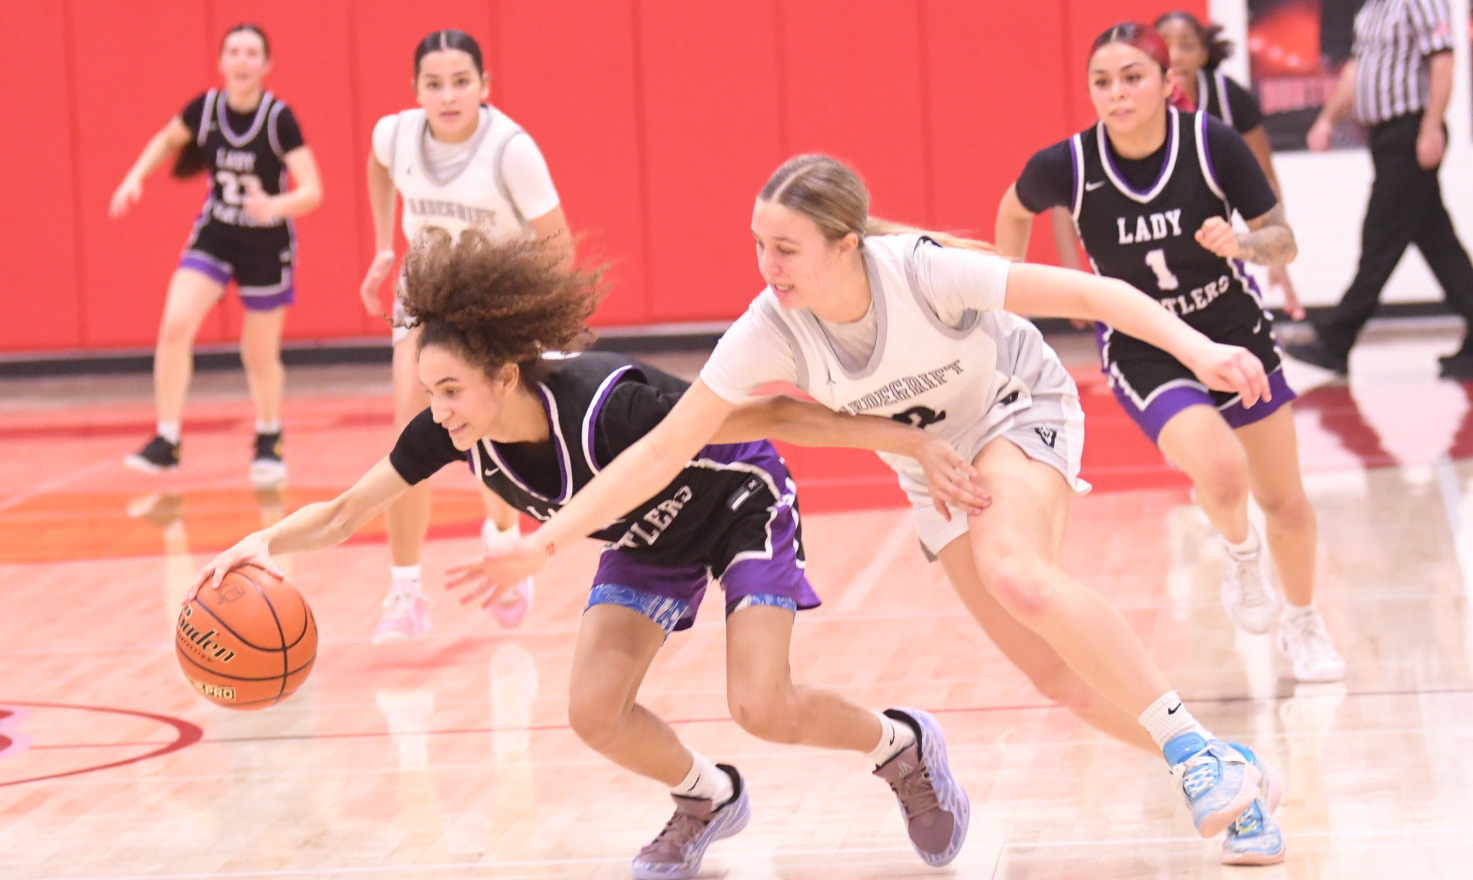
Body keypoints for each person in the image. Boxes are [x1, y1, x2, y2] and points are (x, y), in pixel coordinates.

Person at [461, 147, 1289, 865]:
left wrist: (1197, 348)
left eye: (786, 249)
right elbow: (662, 448)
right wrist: (546, 542)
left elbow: (1096, 294)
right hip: (927, 461)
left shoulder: (921, 271)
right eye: (758, 246)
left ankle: (1190, 753)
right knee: (1057, 679)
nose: (767, 266)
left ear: (844, 245)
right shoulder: (770, 326)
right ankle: (1226, 768)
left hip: (1012, 406)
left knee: (1020, 577)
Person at [192, 231, 971, 877]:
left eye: (452, 389)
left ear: (502, 373)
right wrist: (263, 540)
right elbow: (344, 512)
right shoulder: (447, 434)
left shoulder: (611, 402)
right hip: (642, 536)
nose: (439, 411)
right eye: (429, 391)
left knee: (760, 704)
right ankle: (707, 797)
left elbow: (771, 414)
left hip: (735, 502)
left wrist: (905, 439)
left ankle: (901, 747)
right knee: (593, 713)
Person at [997, 21, 1345, 694]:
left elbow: (1283, 242)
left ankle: (1301, 620)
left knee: (1286, 501)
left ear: (1167, 84)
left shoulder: (1209, 143)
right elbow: (1012, 210)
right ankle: (1241, 557)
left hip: (1232, 327)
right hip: (1143, 344)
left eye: (1132, 77)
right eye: (1101, 82)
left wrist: (1241, 245)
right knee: (1218, 469)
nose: (1116, 93)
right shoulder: (1066, 163)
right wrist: (1015, 294)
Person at [358, 29, 573, 640]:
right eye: (434, 83)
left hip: (490, 306)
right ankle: (404, 590)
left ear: (484, 86)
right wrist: (382, 245)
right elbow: (376, 165)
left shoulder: (510, 150)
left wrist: (535, 322)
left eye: (460, 82)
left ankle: (502, 537)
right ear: (416, 91)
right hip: (425, 299)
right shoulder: (395, 134)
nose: (448, 94)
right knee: (411, 424)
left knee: (486, 435)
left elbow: (557, 242)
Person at [111, 23, 322, 486]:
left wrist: (274, 206)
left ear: (265, 65)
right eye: (234, 52)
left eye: (252, 53)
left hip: (267, 242)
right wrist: (135, 177)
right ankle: (167, 439)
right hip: (217, 233)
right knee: (175, 324)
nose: (243, 60)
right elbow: (166, 140)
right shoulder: (204, 110)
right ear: (222, 62)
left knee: (258, 353)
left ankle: (269, 434)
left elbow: (313, 190)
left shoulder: (278, 119)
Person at [1049, 12, 1304, 322]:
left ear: (1204, 53)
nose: (1177, 55)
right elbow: (1061, 193)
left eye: (1188, 45)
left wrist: (1270, 254)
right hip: (1138, 272)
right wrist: (1074, 278)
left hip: (1209, 266)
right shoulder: (1118, 118)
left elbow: (1266, 179)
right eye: (1166, 45)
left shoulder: (1226, 101)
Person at [1284, 0, 1473, 379]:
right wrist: (1327, 118)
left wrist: (1432, 125)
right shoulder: (1371, 8)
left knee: (1380, 239)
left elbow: (1442, 61)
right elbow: (1357, 70)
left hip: (1410, 131)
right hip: (1385, 137)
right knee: (1438, 244)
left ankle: (1337, 338)